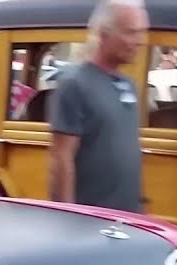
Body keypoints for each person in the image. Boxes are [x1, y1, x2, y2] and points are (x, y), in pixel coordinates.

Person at [46, 0, 149, 212]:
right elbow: (61, 159)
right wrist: (67, 215)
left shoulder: (129, 84)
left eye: (141, 32)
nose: (140, 41)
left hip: (128, 218)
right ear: (104, 34)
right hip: (91, 219)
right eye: (131, 32)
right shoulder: (75, 83)